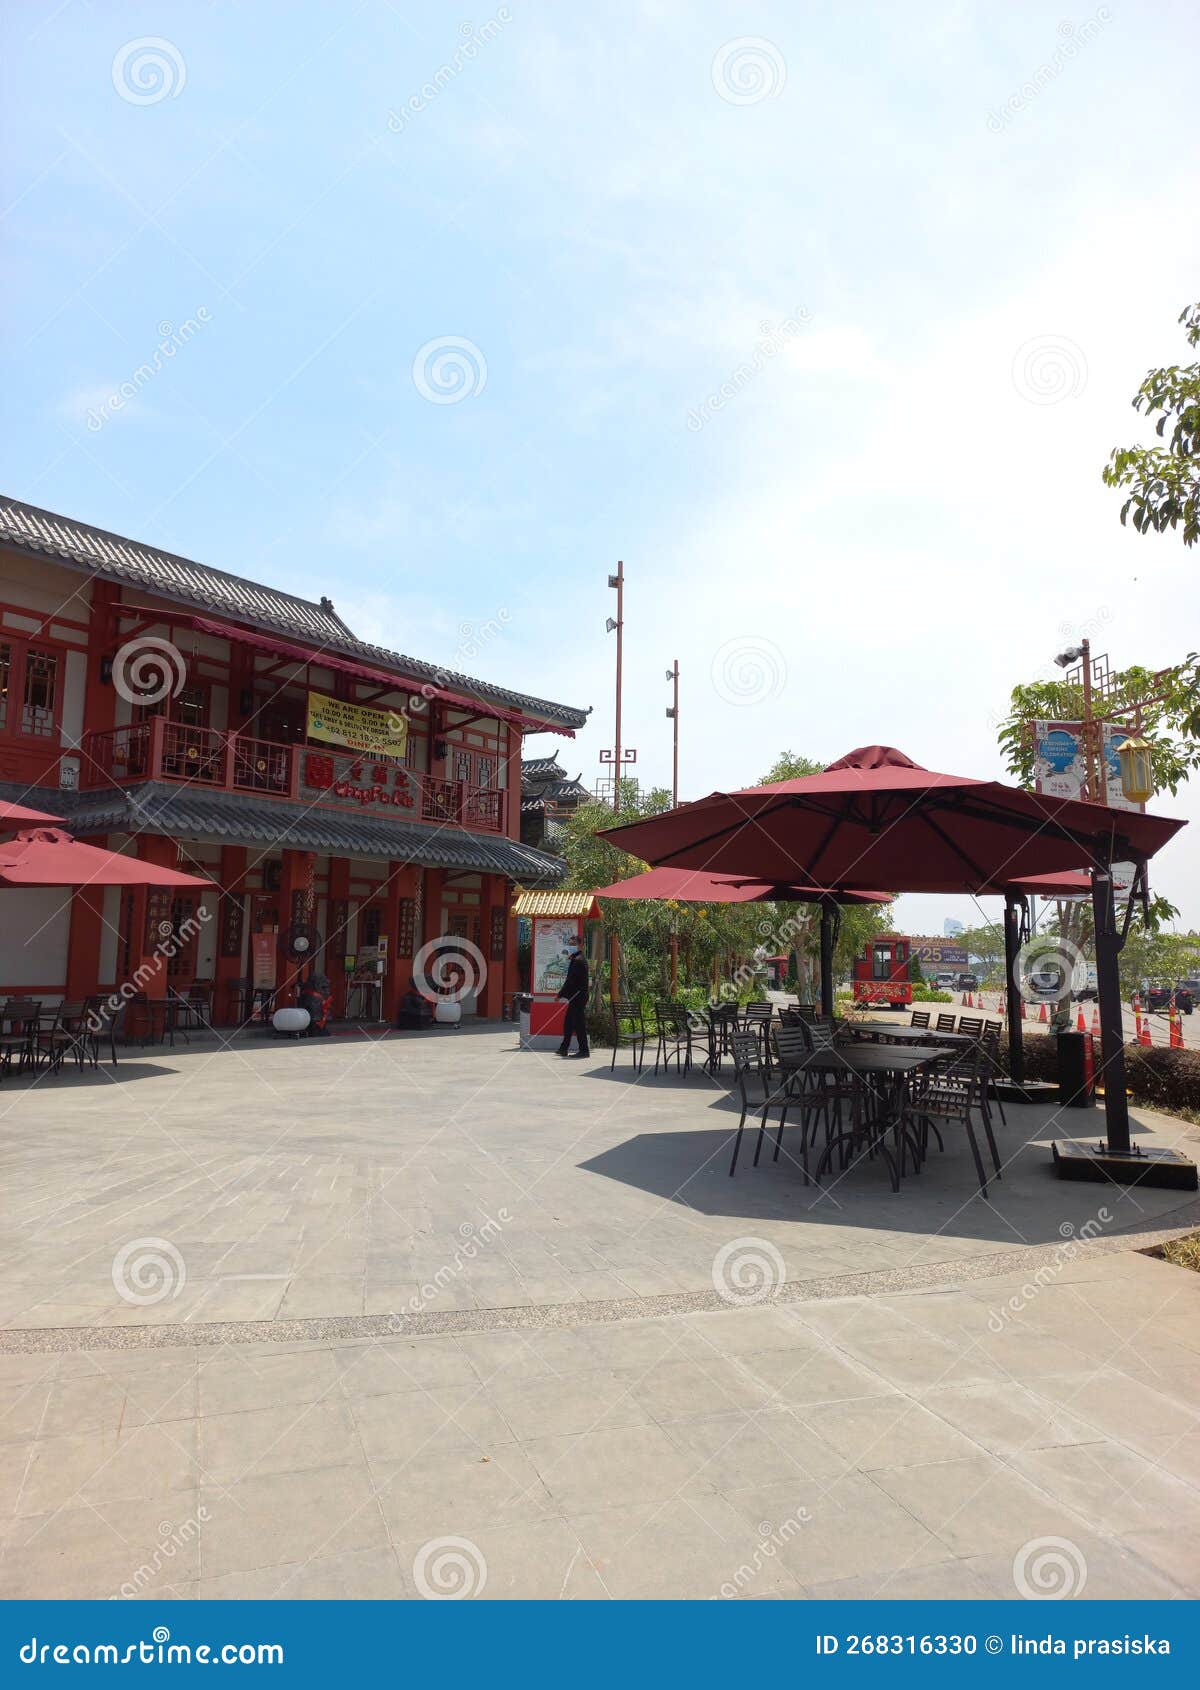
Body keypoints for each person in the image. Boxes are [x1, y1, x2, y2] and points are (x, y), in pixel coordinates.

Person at [556, 947, 590, 1058]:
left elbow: (570, 980)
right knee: (569, 1023)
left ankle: (584, 1050)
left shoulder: (576, 961)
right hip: (579, 996)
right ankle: (563, 1048)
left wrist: (560, 994)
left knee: (579, 1024)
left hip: (577, 997)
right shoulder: (581, 958)